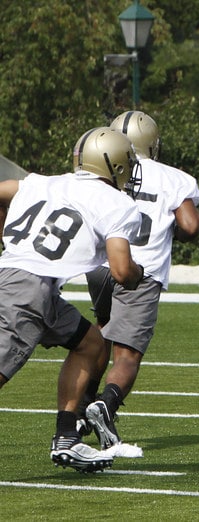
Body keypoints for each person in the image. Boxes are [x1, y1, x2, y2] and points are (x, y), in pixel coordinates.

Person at [0, 127, 144, 472]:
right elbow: (122, 271)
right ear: (117, 165)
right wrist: (138, 272)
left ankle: (67, 438)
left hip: (22, 280)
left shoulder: (41, 182)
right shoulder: (117, 203)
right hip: (28, 291)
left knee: (91, 344)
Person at [80, 111, 199, 451]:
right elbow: (190, 227)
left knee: (100, 337)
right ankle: (105, 406)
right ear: (154, 142)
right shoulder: (174, 178)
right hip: (139, 269)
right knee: (127, 354)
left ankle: (80, 407)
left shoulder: (98, 170)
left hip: (98, 266)